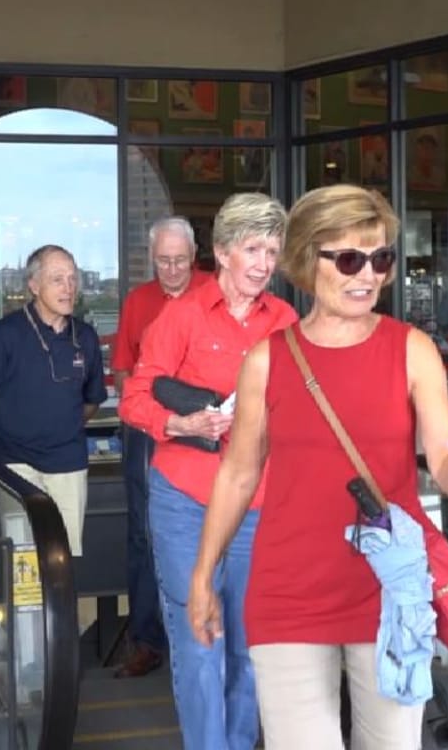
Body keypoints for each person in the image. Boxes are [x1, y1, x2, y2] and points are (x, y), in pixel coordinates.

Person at [186, 184, 448, 750]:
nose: (369, 276)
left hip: (388, 589)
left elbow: (445, 462)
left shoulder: (410, 349)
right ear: (310, 261)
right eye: (351, 259)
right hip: (289, 591)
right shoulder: (268, 359)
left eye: (381, 258)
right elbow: (238, 476)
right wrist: (203, 575)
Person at [118, 193, 299, 750]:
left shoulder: (286, 320)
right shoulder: (183, 315)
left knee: (248, 649)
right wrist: (180, 425)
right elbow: (134, 397)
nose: (265, 264)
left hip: (256, 506)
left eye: (272, 250)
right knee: (201, 643)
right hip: (185, 502)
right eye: (253, 249)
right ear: (221, 253)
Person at [0, 244, 107, 556]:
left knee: (62, 557)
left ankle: (58, 608)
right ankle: (26, 608)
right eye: (57, 279)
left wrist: (63, 425)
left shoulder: (86, 337)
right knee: (23, 557)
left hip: (68, 464)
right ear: (34, 286)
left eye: (72, 279)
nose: (68, 288)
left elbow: (92, 400)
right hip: (15, 463)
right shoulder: (6, 334)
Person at [108, 216, 212, 679]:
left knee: (216, 530)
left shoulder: (216, 290)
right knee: (144, 534)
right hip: (151, 434)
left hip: (213, 433)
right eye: (162, 261)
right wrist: (150, 418)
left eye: (179, 260)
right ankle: (147, 640)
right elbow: (124, 371)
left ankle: (206, 633)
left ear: (194, 256)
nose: (171, 269)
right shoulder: (139, 301)